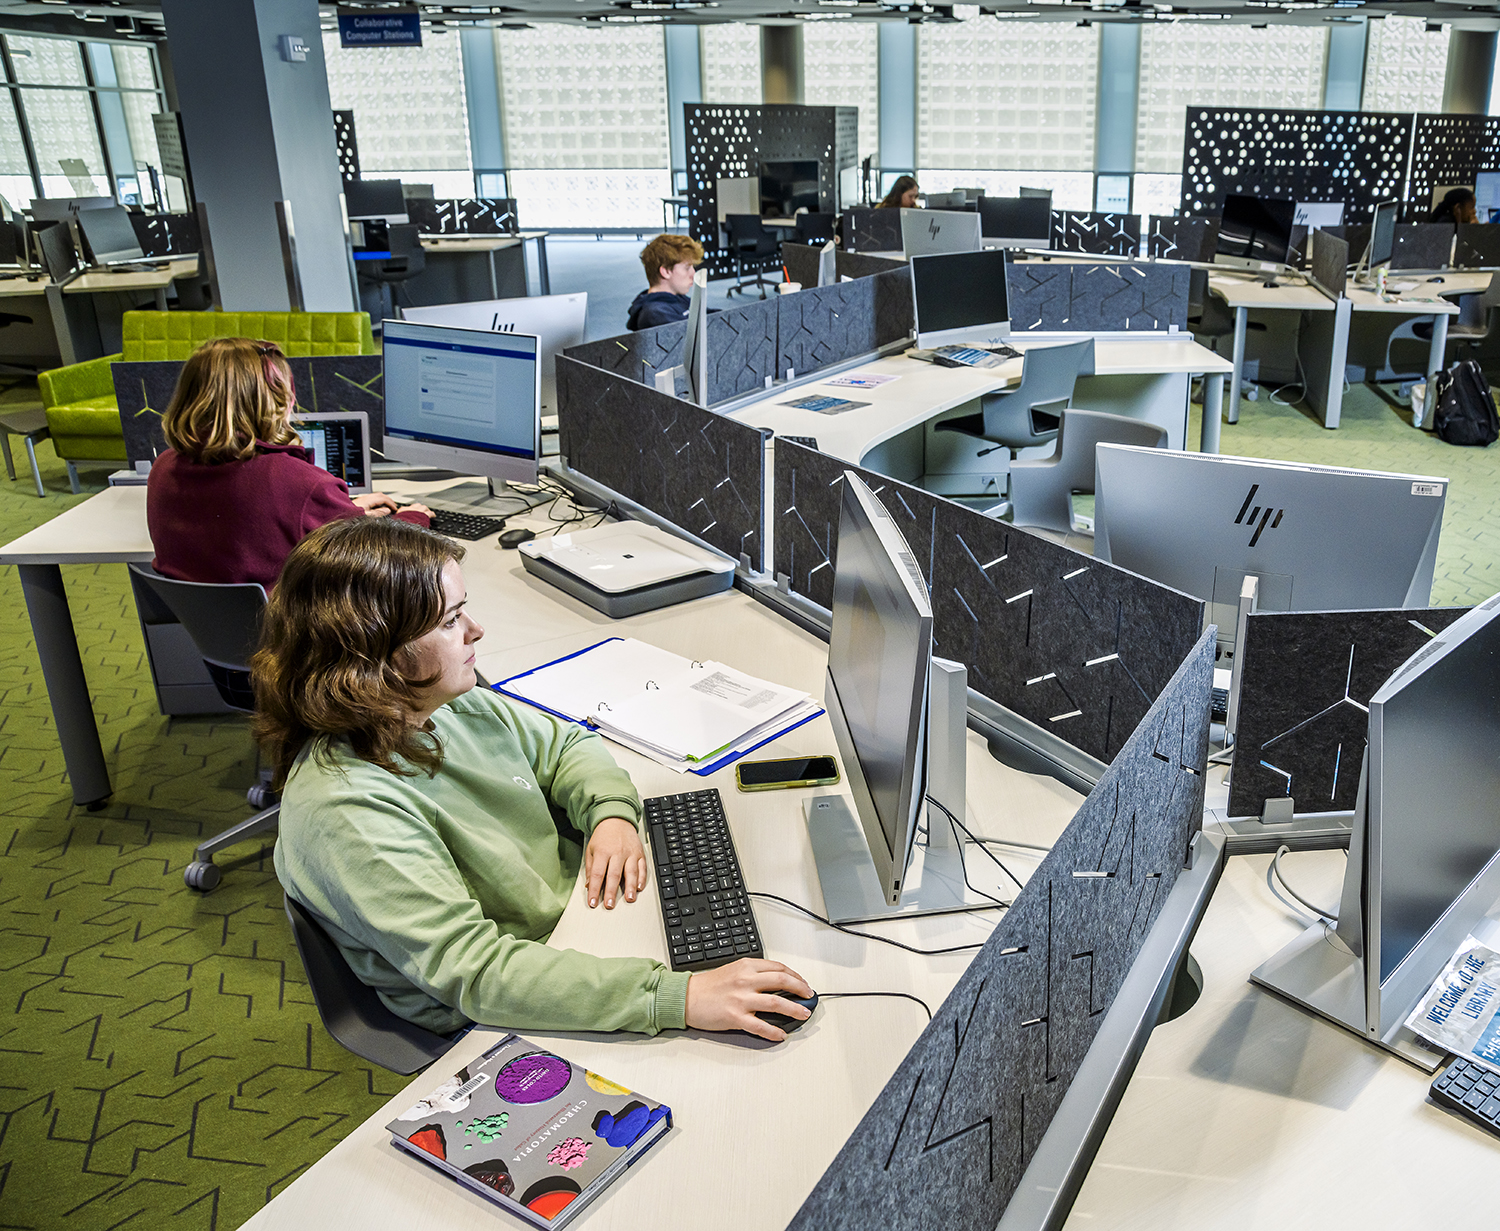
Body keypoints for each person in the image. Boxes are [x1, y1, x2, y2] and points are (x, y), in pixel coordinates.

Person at [257, 517, 814, 1042]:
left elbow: (566, 745)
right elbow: (478, 974)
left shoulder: (438, 704)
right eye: (450, 621)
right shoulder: (347, 810)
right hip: (506, 1002)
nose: (477, 630)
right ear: (375, 655)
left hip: (575, 921)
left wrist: (612, 814)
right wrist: (676, 997)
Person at [146, 337, 431, 589]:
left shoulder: (164, 467)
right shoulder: (294, 480)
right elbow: (379, 560)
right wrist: (412, 520)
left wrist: (348, 512)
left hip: (202, 632)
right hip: (290, 640)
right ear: (275, 401)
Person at [627, 233, 705, 330]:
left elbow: (706, 315)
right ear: (666, 272)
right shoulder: (655, 314)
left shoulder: (676, 297)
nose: (693, 274)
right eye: (687, 268)